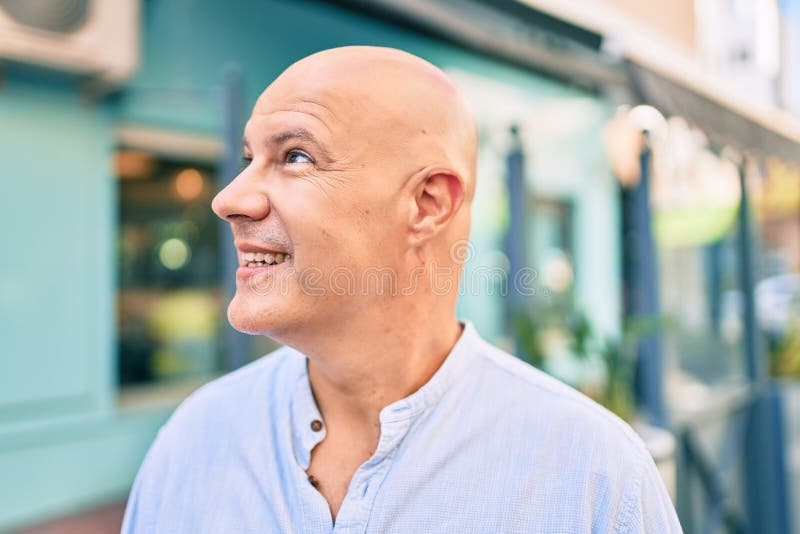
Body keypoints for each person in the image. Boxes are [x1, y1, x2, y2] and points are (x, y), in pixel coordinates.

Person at [121, 46, 681, 533]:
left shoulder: (589, 474)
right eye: (249, 158)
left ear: (428, 204)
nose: (228, 199)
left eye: (296, 156)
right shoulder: (194, 441)